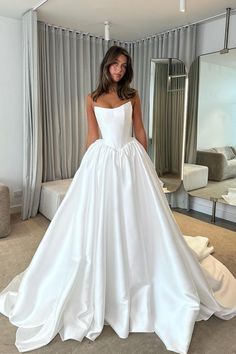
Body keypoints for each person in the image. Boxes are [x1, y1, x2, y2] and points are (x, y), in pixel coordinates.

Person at [0, 45, 236, 354]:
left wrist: (146, 168)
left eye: (124, 66)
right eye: (115, 64)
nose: (119, 70)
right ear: (106, 65)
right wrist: (85, 167)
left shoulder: (132, 95)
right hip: (101, 160)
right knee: (98, 221)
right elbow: (91, 135)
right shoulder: (92, 98)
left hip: (130, 159)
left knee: (139, 220)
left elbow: (141, 133)